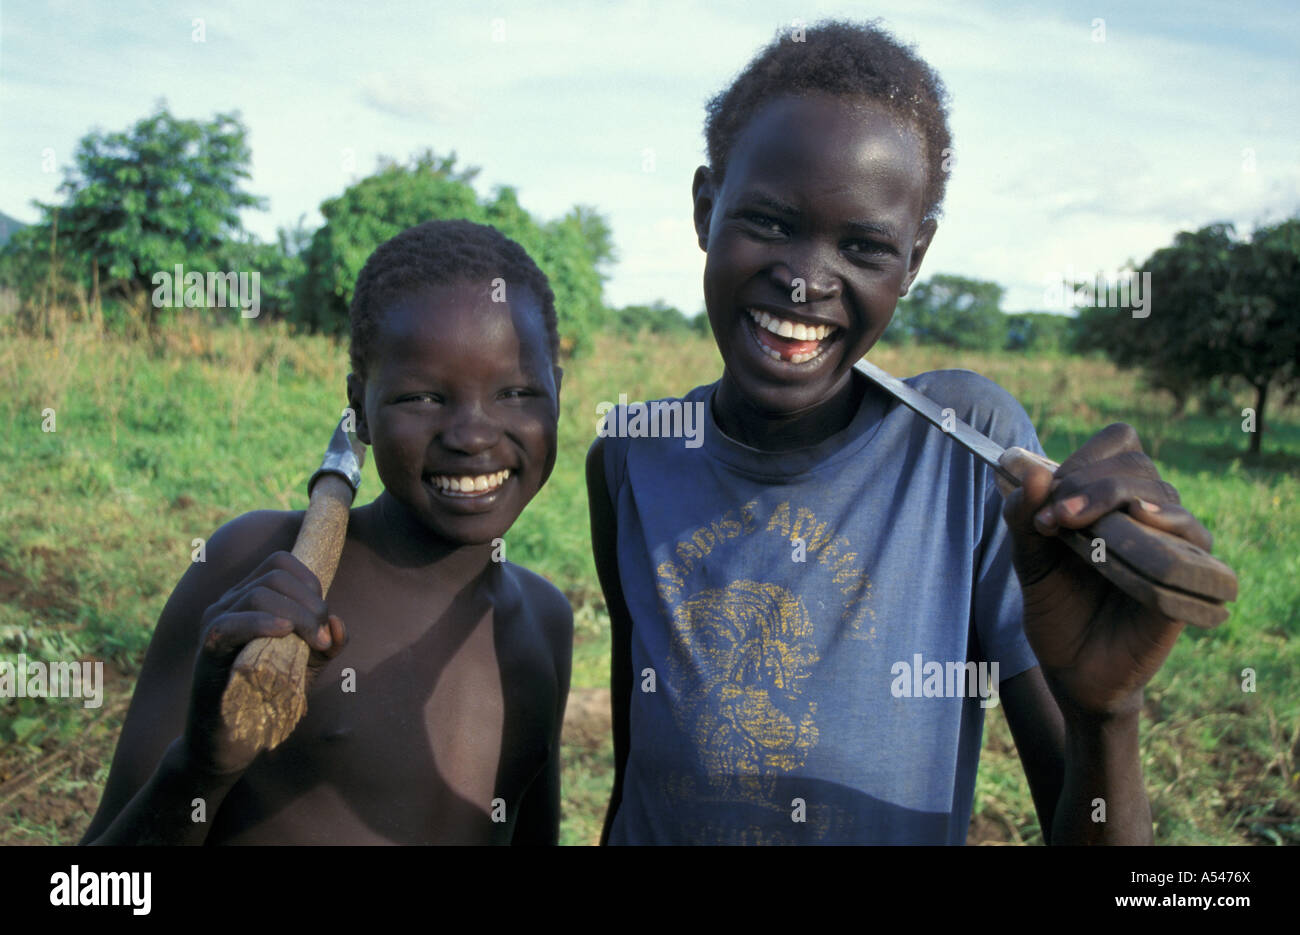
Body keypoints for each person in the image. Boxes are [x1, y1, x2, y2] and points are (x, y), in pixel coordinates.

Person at [587, 21, 1217, 844]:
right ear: (706, 208)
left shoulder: (970, 449)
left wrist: (1108, 714)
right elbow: (638, 746)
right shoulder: (633, 455)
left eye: (864, 246)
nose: (806, 278)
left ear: (913, 260)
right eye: (771, 223)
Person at [83, 220, 573, 844]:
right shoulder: (259, 572)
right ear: (359, 407)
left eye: (516, 391)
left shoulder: (545, 622)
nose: (472, 435)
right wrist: (200, 770)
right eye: (422, 398)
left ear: (558, 392)